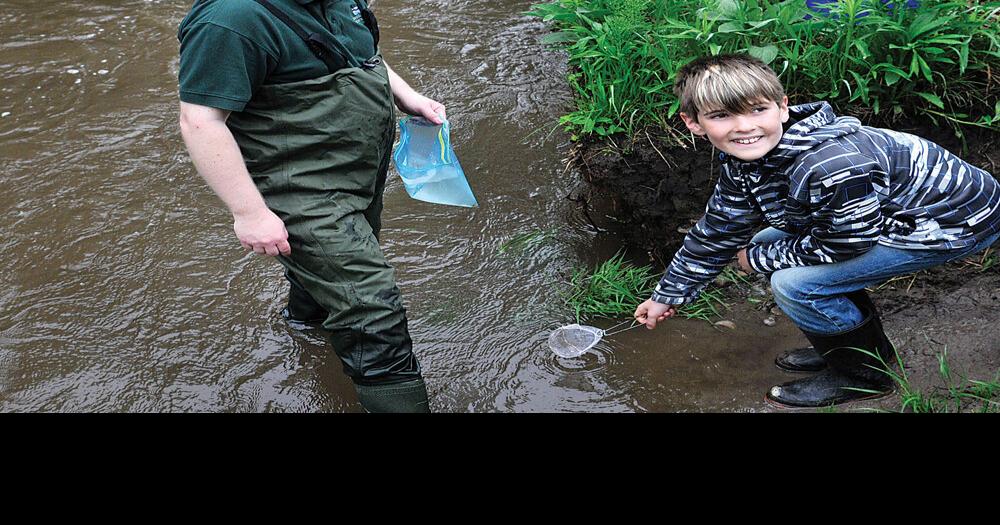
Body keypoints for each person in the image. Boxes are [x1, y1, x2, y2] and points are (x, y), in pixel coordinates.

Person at [633, 54, 1000, 408]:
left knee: (795, 285)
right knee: (766, 242)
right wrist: (668, 295)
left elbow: (848, 243)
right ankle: (862, 351)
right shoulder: (748, 157)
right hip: (883, 217)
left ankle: (864, 377)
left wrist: (757, 260)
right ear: (693, 122)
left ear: (782, 106)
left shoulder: (830, 165)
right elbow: (718, 230)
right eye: (722, 115)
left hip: (954, 223)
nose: (744, 126)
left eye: (757, 109)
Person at [177, 0, 446, 412]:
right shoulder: (231, 21)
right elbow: (200, 121)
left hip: (354, 169)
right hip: (300, 187)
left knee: (329, 273)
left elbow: (359, 52)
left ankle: (304, 328)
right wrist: (249, 213)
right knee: (371, 305)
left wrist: (406, 96)